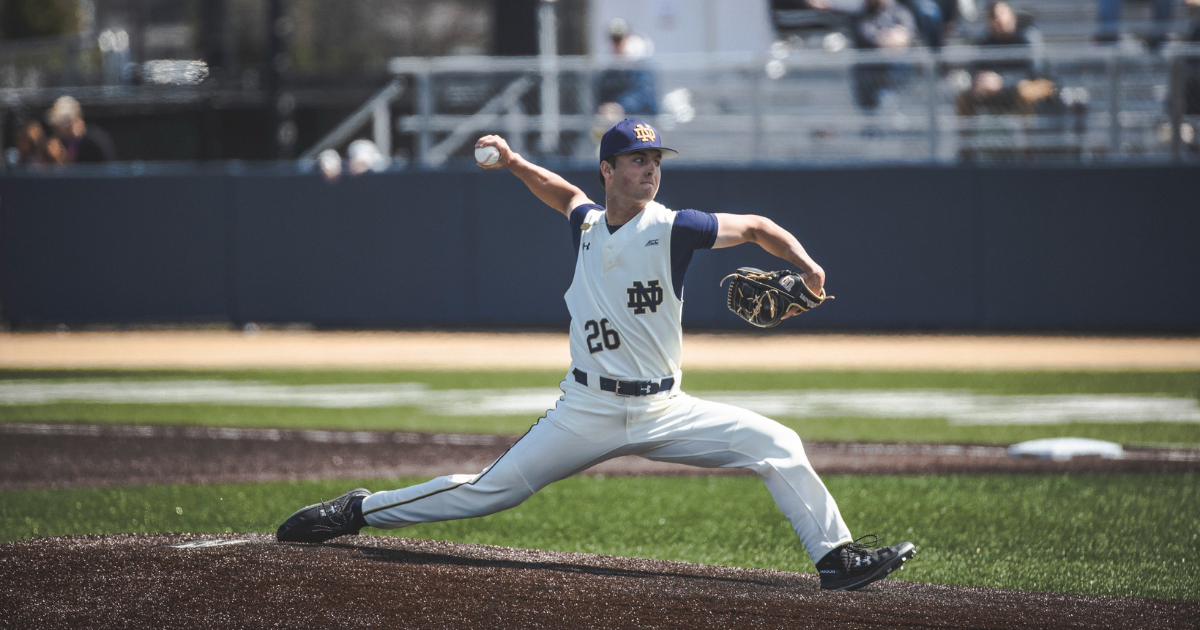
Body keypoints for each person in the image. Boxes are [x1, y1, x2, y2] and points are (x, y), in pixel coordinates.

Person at [276, 119, 915, 592]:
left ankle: (836, 560)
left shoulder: (675, 226)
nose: (649, 168)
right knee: (486, 493)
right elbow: (561, 194)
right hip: (585, 409)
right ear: (608, 169)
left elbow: (753, 227)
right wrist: (517, 162)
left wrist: (806, 265)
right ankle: (358, 510)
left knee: (777, 442)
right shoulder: (586, 223)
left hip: (667, 408)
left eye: (654, 158)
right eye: (636, 159)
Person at [851, 0, 918, 109]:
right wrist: (887, 38)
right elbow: (868, 36)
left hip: (897, 61)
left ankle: (893, 97)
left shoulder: (899, 9)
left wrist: (893, 41)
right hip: (871, 68)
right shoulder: (861, 13)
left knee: (902, 60)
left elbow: (908, 33)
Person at [46, 96, 117, 163]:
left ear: (77, 119)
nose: (58, 127)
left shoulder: (95, 141)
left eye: (65, 121)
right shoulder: (56, 144)